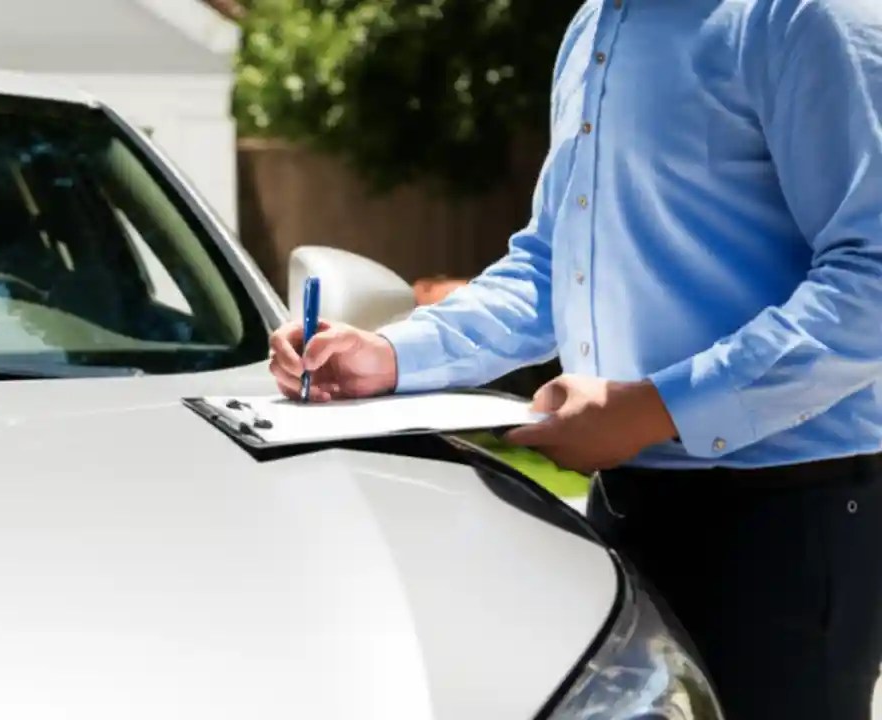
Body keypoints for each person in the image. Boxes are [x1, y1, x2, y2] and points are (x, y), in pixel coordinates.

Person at [267, 0, 882, 717]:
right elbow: (551, 264)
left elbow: (869, 280)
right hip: (631, 506)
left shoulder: (803, 16)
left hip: (788, 523)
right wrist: (389, 354)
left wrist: (658, 408)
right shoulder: (597, 23)